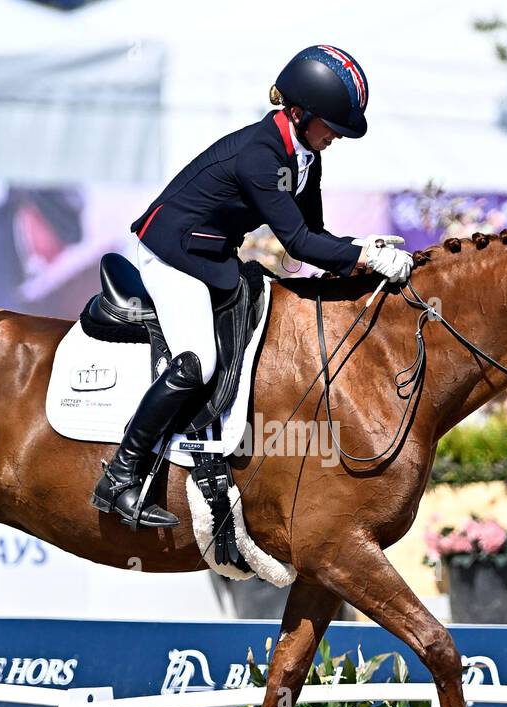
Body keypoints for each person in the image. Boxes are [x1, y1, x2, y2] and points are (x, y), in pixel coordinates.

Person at [91, 44, 415, 528]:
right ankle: (119, 475)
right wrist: (366, 256)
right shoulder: (261, 156)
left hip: (214, 255)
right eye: (332, 126)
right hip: (173, 252)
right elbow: (300, 243)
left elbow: (315, 235)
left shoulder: (304, 153)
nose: (336, 138)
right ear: (301, 113)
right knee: (197, 362)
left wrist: (359, 245)